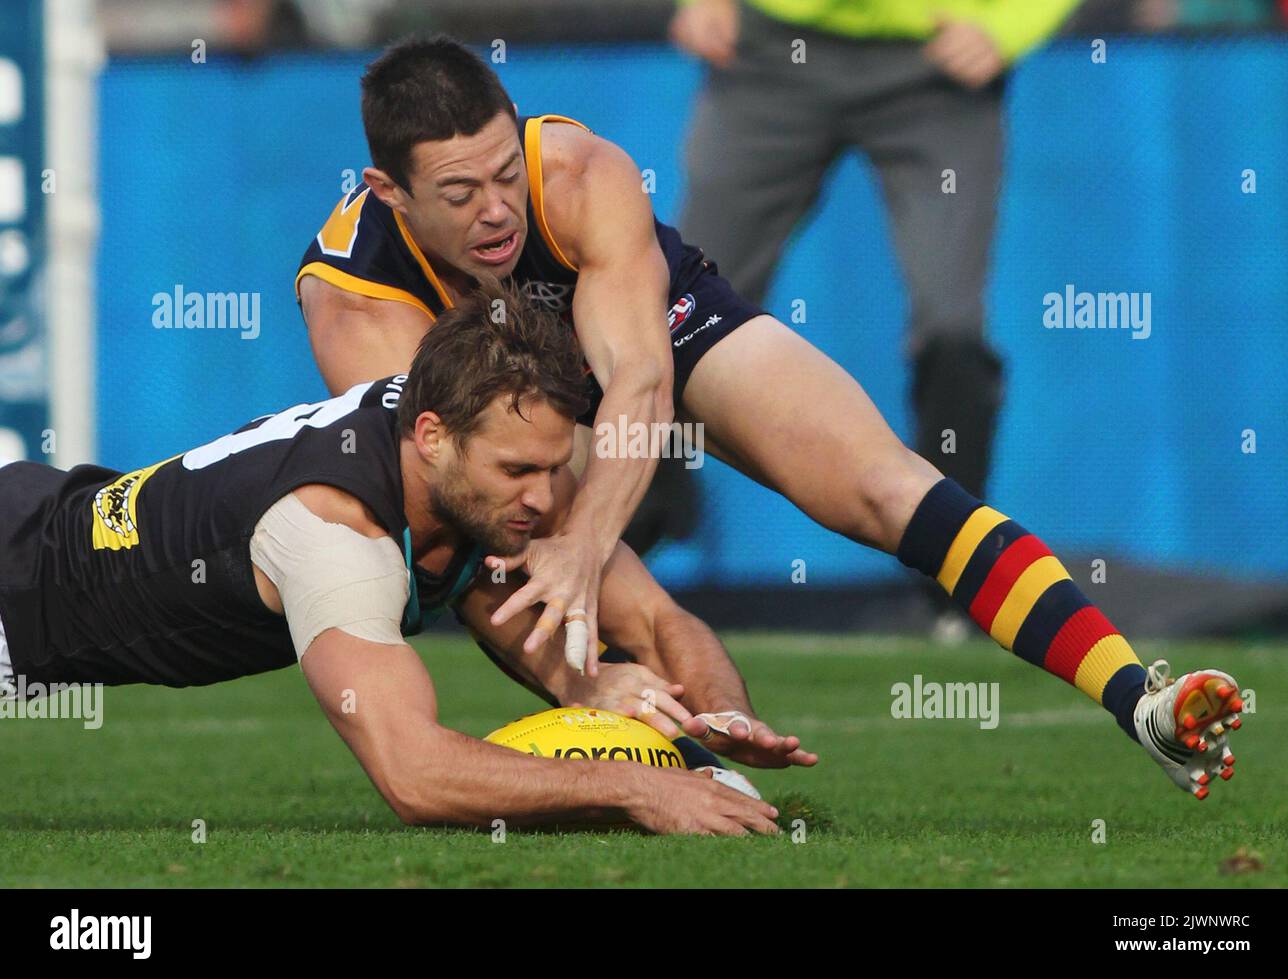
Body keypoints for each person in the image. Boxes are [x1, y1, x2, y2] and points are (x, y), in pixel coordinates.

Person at [296, 35, 1246, 800]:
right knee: (539, 558)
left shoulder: (578, 172)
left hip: (630, 345)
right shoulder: (358, 306)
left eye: (507, 171)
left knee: (885, 485)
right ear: (390, 193)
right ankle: (697, 762)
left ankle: (1139, 703)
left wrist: (586, 539)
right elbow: (466, 519)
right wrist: (573, 568)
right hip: (498, 417)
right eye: (460, 197)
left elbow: (639, 383)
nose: (499, 211)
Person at [0, 281, 807, 835]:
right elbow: (415, 774)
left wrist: (719, 712)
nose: (542, 496)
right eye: (518, 472)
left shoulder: (478, 442)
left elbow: (657, 618)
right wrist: (638, 786)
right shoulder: (332, 532)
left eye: (553, 467)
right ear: (430, 439)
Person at [669, 0, 1079, 636]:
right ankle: (620, 553)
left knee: (954, 331)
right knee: (669, 316)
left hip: (937, 65)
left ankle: (955, 591)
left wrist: (1010, 26)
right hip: (769, 53)